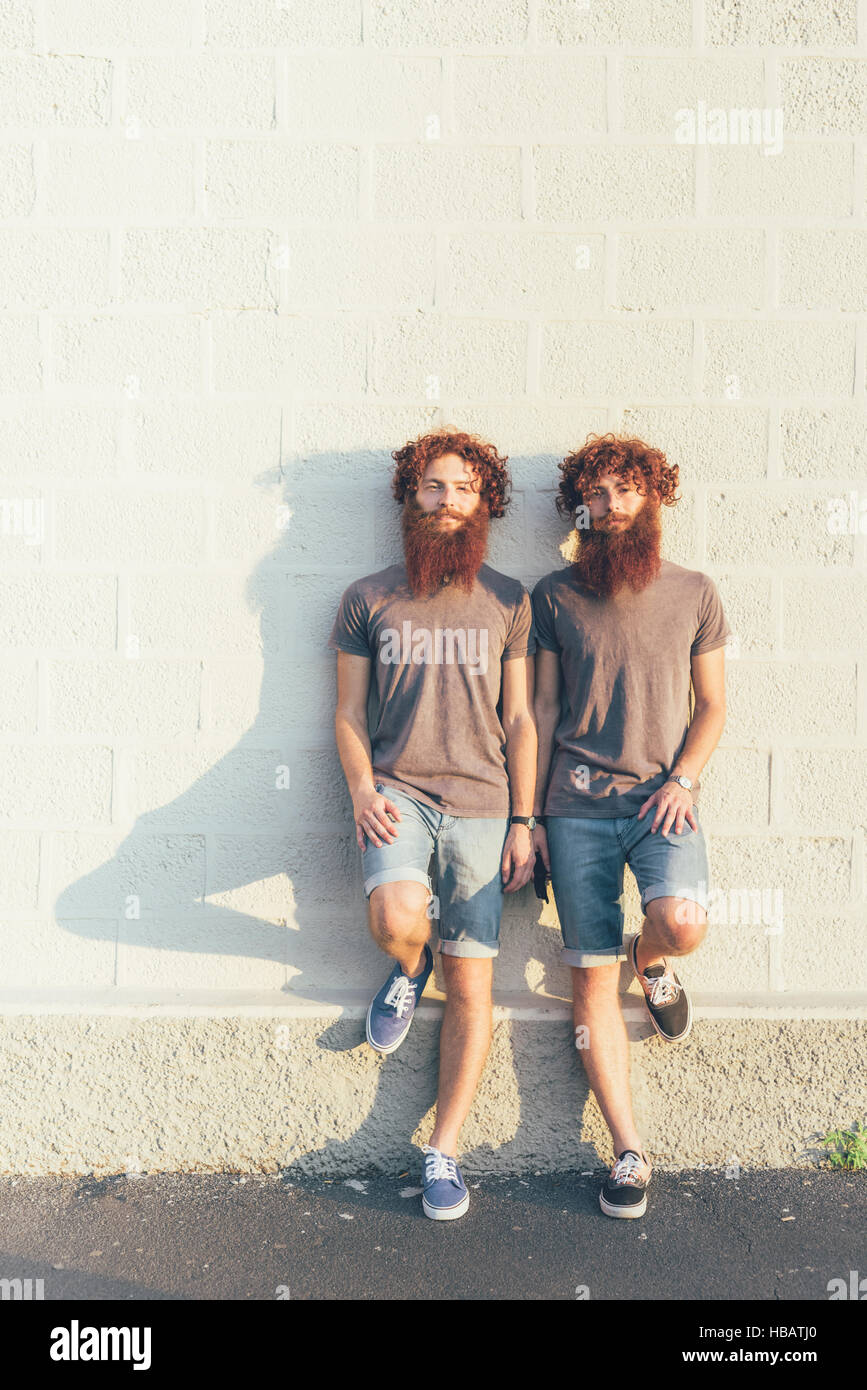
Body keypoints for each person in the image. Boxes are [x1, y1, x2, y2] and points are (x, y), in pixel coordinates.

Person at [328, 429, 537, 1220]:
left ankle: (442, 1151)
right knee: (395, 918)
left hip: (485, 804)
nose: (445, 500)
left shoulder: (511, 600)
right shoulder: (367, 596)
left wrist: (523, 819)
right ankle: (408, 967)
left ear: (484, 503)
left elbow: (519, 720)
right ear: (408, 499)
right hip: (399, 793)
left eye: (461, 488)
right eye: (430, 486)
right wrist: (359, 789)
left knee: (474, 978)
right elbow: (347, 713)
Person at [531, 432, 731, 1219]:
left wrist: (683, 778)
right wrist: (531, 816)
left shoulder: (694, 591)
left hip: (661, 802)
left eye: (624, 490)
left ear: (653, 497)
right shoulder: (551, 596)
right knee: (587, 981)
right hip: (574, 809)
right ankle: (628, 1152)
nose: (609, 506)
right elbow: (542, 710)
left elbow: (712, 704)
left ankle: (649, 961)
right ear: (580, 505)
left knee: (681, 924)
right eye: (596, 493)